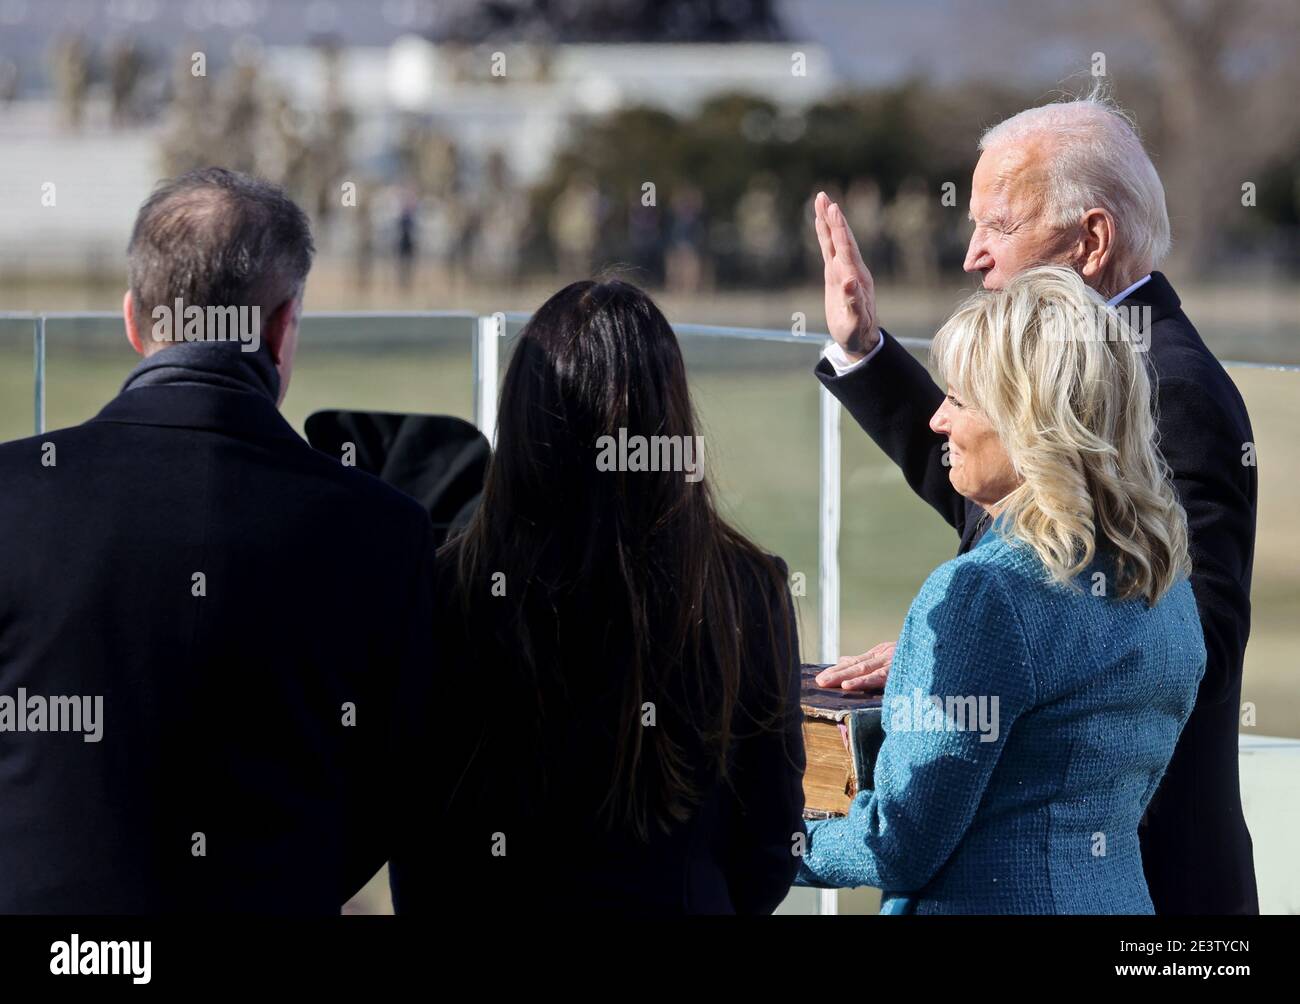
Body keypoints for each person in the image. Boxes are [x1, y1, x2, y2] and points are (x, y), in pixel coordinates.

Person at [812, 95, 1258, 915]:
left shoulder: (1172, 384)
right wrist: (868, 355)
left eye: (998, 225)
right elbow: (1014, 505)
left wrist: (971, 661)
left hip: (1144, 869)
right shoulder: (1109, 368)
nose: (973, 254)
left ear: (1091, 241)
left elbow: (1196, 633)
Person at [0, 168, 435, 913]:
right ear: (280, 327)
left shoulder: (13, 494)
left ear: (134, 321)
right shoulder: (383, 530)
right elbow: (395, 798)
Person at [796, 266, 1206, 913]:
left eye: (957, 399)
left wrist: (765, 838)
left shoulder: (982, 593)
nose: (936, 420)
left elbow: (896, 842)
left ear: (1029, 425)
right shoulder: (1164, 573)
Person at [390, 279, 805, 915]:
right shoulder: (748, 589)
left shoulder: (446, 589)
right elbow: (770, 844)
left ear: (523, 416)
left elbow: (417, 840)